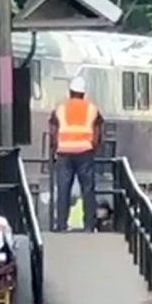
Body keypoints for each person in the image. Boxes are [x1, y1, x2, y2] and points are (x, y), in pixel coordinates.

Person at [49, 76, 103, 232]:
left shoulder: (60, 109)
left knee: (63, 189)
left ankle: (61, 225)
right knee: (88, 189)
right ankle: (89, 225)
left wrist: (54, 148)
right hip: (85, 152)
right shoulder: (92, 109)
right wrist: (94, 146)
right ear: (83, 93)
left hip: (64, 153)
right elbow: (98, 130)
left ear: (70, 92)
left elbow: (53, 130)